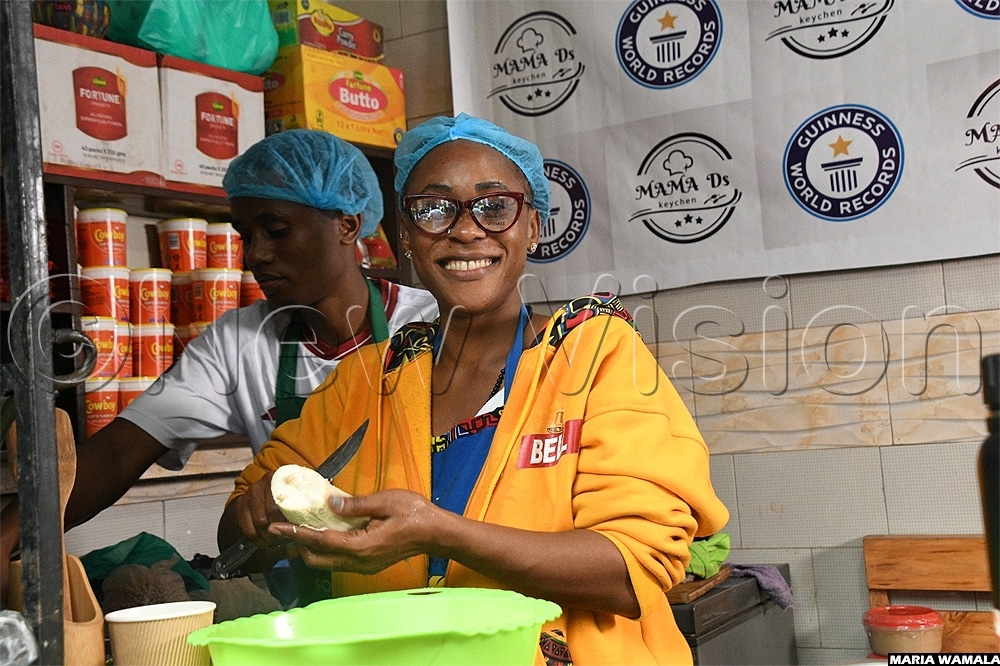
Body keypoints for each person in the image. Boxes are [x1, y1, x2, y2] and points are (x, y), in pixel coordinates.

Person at [218, 114, 729, 664]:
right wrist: (262, 516)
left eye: (495, 205)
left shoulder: (596, 354)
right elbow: (235, 536)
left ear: (532, 226)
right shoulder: (365, 380)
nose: (466, 230)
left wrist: (440, 534)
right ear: (407, 236)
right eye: (434, 209)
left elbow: (632, 572)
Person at [0, 130, 438, 604]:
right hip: (316, 599)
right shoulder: (237, 341)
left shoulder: (427, 323)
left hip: (430, 586)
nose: (255, 255)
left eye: (276, 231)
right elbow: (119, 454)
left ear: (347, 226)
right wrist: (15, 530)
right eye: (246, 236)